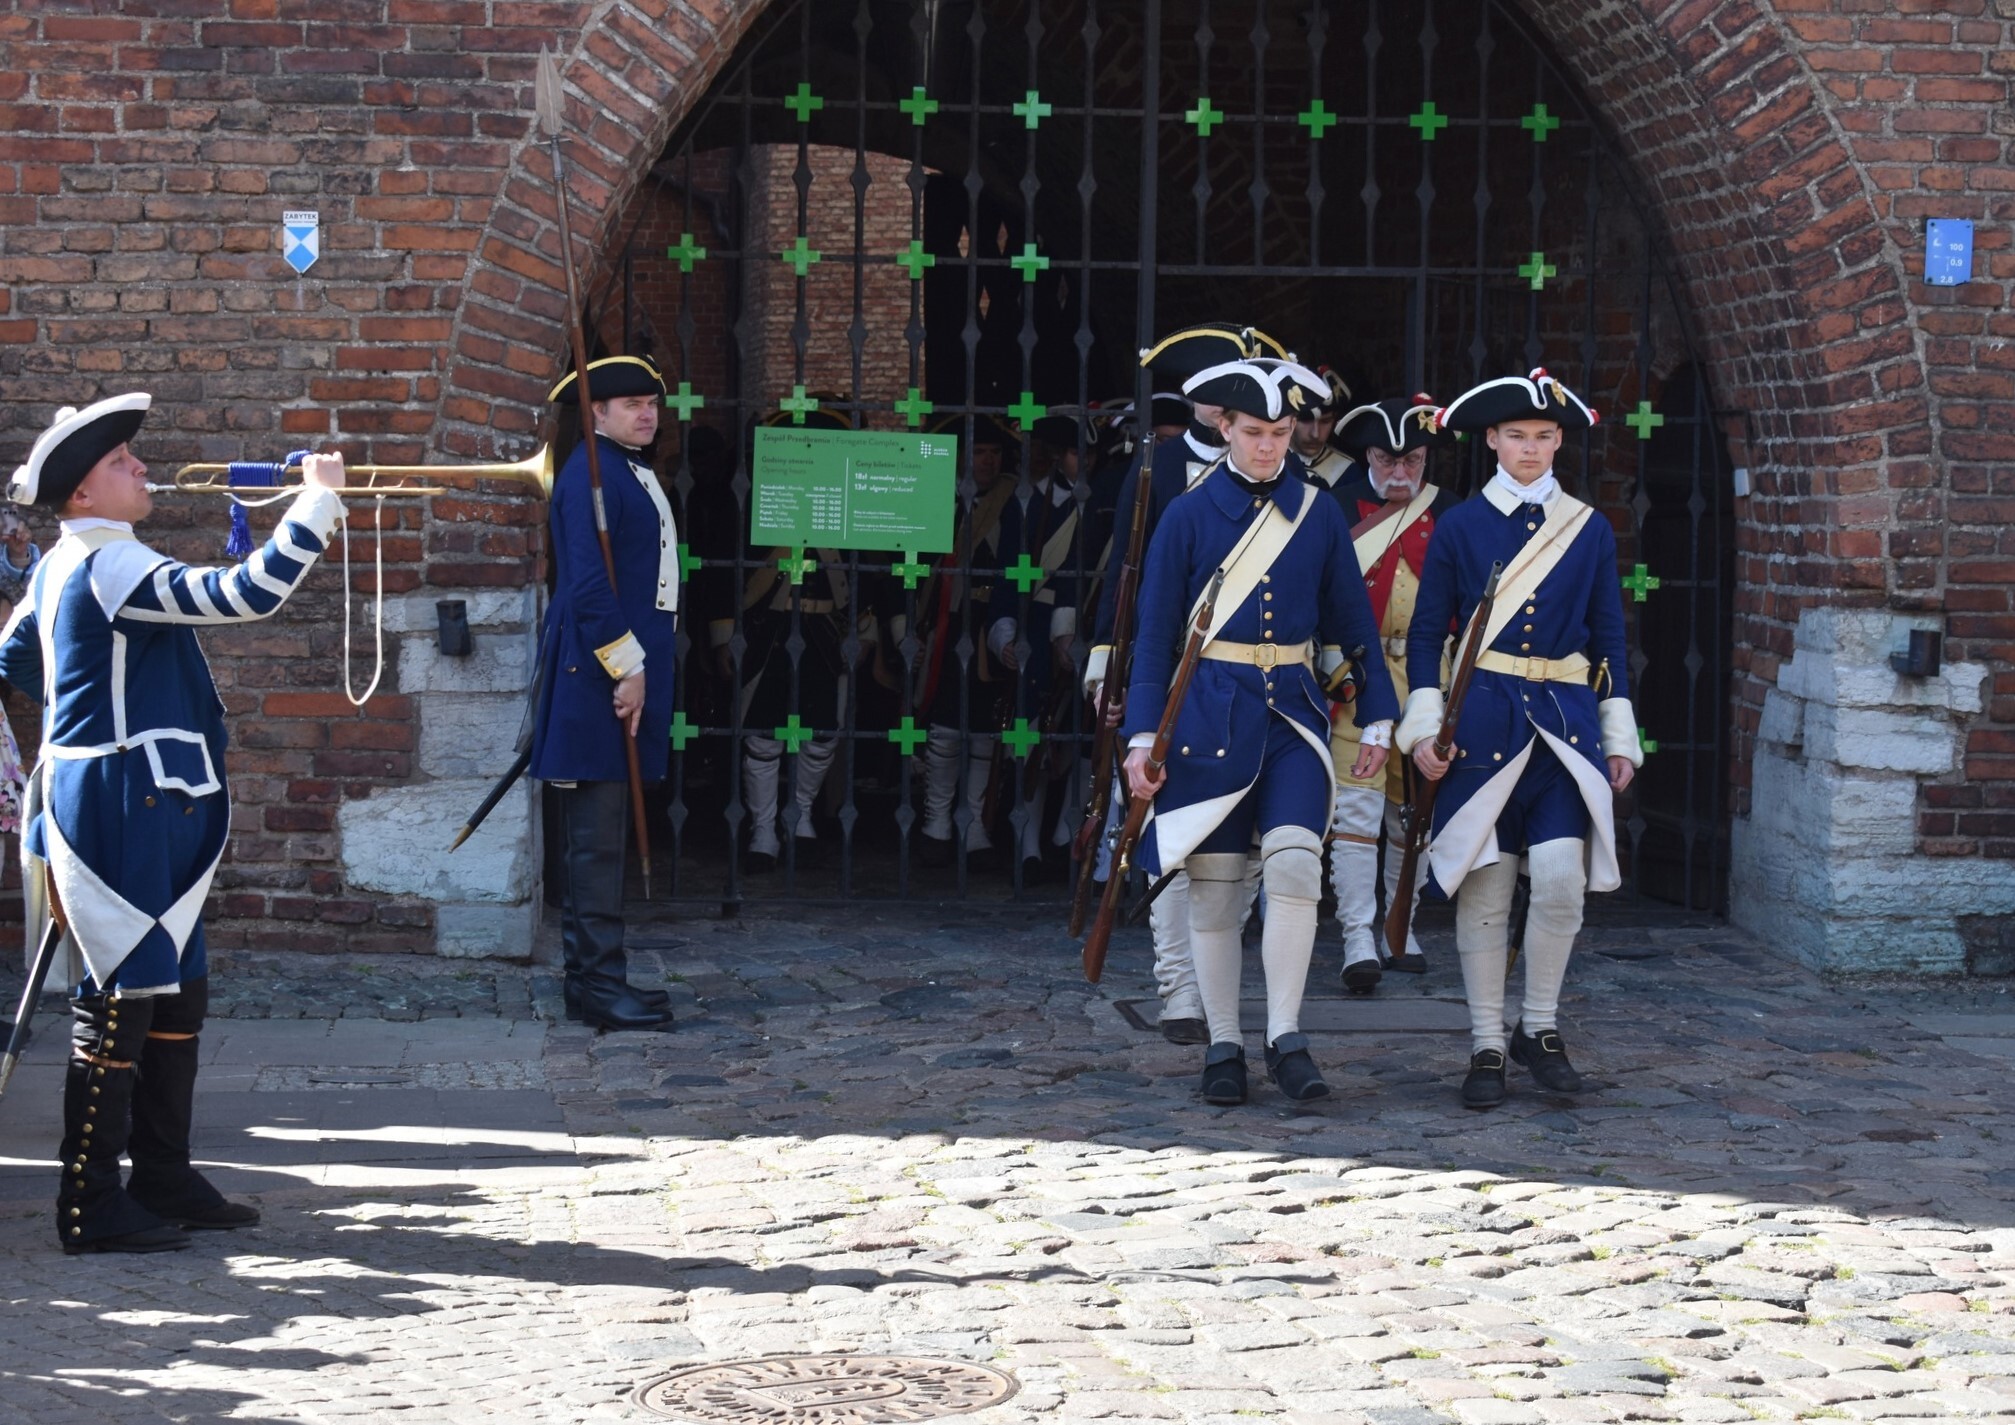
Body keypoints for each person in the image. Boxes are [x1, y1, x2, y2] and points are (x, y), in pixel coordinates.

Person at [0, 393, 344, 1254]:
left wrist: (87, 707)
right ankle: (88, 1200)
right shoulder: (105, 562)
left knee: (177, 986)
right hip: (121, 801)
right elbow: (246, 593)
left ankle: (162, 1172)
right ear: (81, 494)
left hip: (142, 796)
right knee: (119, 997)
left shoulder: (63, 563)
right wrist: (317, 502)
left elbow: (14, 658)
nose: (142, 468)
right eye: (122, 462)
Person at [1121, 358, 1398, 1106]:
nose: (1269, 446)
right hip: (1208, 713)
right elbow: (1152, 640)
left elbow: (1352, 625)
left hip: (1292, 715)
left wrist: (1378, 712)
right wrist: (1141, 740)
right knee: (1213, 895)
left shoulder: (1318, 512)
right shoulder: (1184, 515)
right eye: (1253, 432)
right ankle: (1222, 1042)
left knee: (1293, 868)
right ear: (1223, 426)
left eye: (1280, 433)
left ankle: (1284, 1033)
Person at [1395, 368, 1643, 1109]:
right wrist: (1421, 728)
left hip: (1562, 723)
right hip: (1481, 721)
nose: (1528, 449)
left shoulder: (1587, 525)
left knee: (1562, 878)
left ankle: (1539, 1026)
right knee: (1486, 888)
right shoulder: (1461, 526)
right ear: (1493, 442)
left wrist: (1617, 733)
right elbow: (1423, 634)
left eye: (1541, 436)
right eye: (1514, 437)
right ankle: (1485, 1043)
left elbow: (1608, 636)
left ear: (1558, 440)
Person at [1085, 323, 1293, 1046]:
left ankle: (1212, 982)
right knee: (1167, 836)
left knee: (1245, 849)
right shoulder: (1159, 468)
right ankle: (1176, 984)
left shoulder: (1288, 478)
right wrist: (1109, 669)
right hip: (1171, 675)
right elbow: (1127, 578)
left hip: (1253, 684)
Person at [531, 355, 680, 1033]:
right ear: (595, 412)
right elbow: (589, 587)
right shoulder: (592, 473)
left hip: (619, 673)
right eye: (630, 405)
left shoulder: (623, 469)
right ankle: (596, 985)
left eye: (650, 403)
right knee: (592, 841)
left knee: (605, 835)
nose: (645, 414)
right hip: (597, 678)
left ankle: (598, 981)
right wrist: (627, 667)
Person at [1325, 395, 1460, 992]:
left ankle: (1399, 924)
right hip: (1356, 676)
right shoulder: (1333, 509)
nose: (1401, 474)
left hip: (1429, 676)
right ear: (1368, 455)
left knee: (1416, 814)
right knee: (1355, 811)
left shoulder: (1451, 514)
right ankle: (1357, 935)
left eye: (1413, 460)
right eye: (1386, 459)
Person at [717, 401, 873, 873]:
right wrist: (724, 635)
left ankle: (799, 814)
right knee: (762, 734)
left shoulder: (851, 505)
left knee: (822, 732)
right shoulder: (754, 502)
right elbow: (727, 572)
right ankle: (763, 829)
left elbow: (870, 575)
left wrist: (866, 633)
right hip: (771, 629)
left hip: (826, 630)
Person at [987, 413, 1086, 882]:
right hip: (1037, 625)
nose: (1078, 462)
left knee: (1082, 737)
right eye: (1070, 453)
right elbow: (1009, 574)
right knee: (1030, 736)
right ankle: (1026, 841)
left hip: (1091, 626)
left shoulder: (1105, 504)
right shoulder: (1027, 505)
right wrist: (1006, 633)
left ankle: (1071, 834)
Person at [916, 414, 1016, 867]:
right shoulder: (939, 500)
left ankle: (973, 822)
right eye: (979, 452)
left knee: (982, 729)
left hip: (988, 624)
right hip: (948, 622)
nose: (988, 461)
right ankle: (935, 821)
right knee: (944, 728)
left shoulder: (1012, 501)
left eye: (994, 452)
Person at [1291, 367, 1355, 490]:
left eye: (1325, 421)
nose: (1315, 434)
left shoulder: (1348, 472)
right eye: (1306, 420)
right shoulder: (1266, 465)